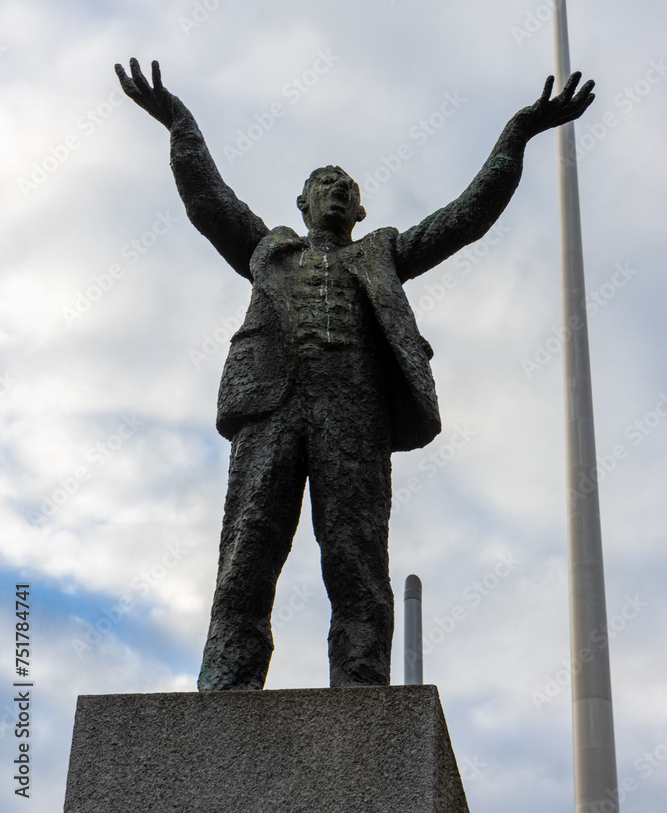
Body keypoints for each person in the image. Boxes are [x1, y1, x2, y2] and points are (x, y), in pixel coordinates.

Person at [115, 58, 594, 690]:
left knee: (357, 558)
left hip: (353, 414)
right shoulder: (267, 250)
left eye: (347, 186)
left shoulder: (382, 254)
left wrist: (518, 133)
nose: (337, 190)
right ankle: (228, 682)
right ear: (303, 203)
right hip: (270, 408)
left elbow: (466, 217)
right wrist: (179, 123)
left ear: (361, 209)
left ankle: (362, 687)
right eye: (325, 183)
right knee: (247, 551)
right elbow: (208, 199)